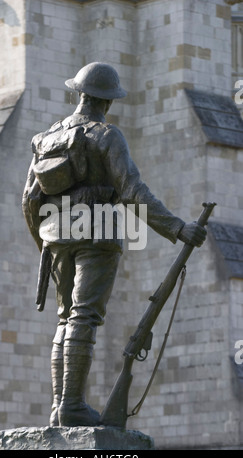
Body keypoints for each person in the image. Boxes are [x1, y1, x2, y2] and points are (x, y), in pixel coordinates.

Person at [22, 62, 206, 427]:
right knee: (84, 317)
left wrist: (44, 243)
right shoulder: (107, 135)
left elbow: (29, 199)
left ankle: (61, 406)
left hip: (56, 237)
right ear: (107, 101)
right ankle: (71, 406)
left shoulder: (45, 138)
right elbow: (132, 192)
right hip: (97, 235)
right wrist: (178, 228)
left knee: (66, 319)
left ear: (78, 94)